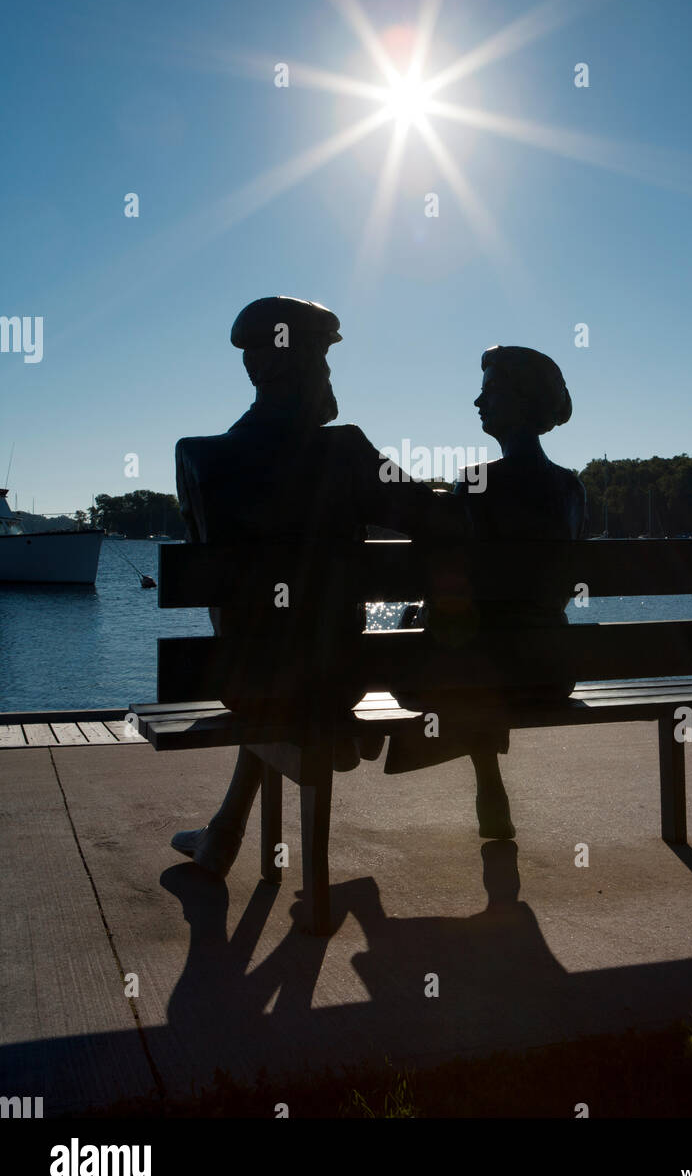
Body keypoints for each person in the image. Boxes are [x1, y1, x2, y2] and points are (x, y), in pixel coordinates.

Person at [170, 295, 462, 877]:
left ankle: (222, 833)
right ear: (275, 364)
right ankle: (225, 829)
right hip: (342, 677)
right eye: (318, 359)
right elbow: (441, 521)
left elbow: (218, 594)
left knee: (274, 660)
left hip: (246, 681)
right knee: (304, 657)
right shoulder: (348, 452)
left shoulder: (201, 459)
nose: (328, 374)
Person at [390, 345, 587, 839]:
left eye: (491, 390)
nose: (478, 402)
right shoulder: (572, 489)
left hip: (486, 673)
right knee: (486, 648)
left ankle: (485, 787)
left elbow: (456, 594)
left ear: (523, 400)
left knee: (460, 648)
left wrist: (416, 614)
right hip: (552, 673)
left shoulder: (476, 484)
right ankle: (490, 790)